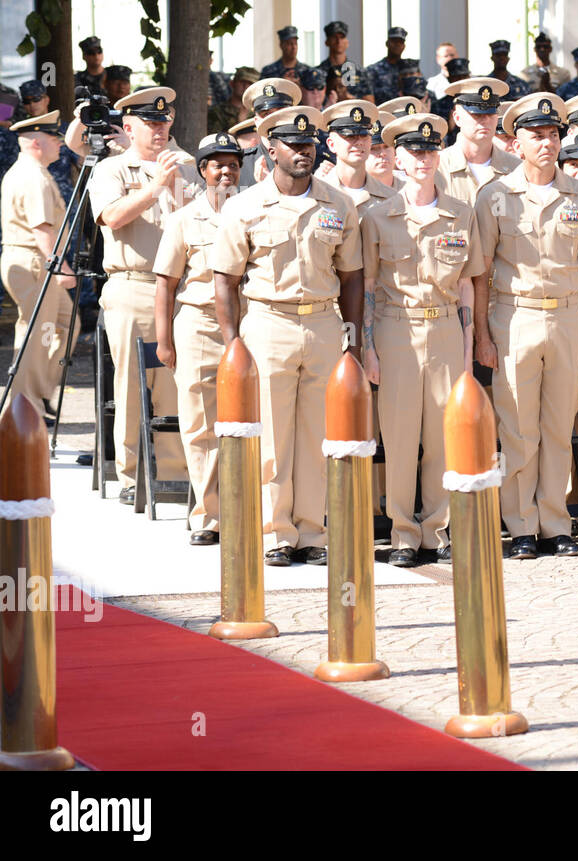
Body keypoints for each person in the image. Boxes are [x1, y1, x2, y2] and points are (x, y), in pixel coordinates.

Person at [210, 105, 363, 568]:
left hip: (322, 322)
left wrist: (352, 338)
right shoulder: (244, 206)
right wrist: (233, 340)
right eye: (293, 146)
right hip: (268, 322)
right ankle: (276, 532)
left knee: (318, 435)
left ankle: (312, 531)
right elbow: (225, 279)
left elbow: (352, 275)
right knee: (274, 435)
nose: (303, 152)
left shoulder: (338, 204)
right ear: (270, 149)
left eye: (309, 145)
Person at [473, 93, 578, 559]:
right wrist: (481, 335)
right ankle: (522, 527)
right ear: (516, 144)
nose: (548, 144)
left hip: (568, 317)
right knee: (518, 429)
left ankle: (555, 522)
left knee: (558, 427)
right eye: (537, 136)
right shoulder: (495, 197)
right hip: (514, 317)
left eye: (553, 135)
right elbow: (480, 272)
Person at [359, 113, 480, 566]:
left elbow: (468, 284)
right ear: (398, 158)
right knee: (401, 435)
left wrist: (468, 349)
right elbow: (369, 286)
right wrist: (368, 347)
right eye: (413, 151)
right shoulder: (377, 216)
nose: (422, 159)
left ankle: (437, 529)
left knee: (442, 435)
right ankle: (404, 534)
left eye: (430, 150)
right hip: (395, 328)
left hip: (447, 326)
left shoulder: (461, 213)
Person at [87, 87, 198, 506]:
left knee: (175, 383)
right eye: (150, 123)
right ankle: (132, 473)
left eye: (164, 123)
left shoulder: (186, 168)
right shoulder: (113, 169)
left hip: (181, 289)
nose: (159, 130)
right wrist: (155, 187)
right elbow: (112, 218)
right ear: (128, 127)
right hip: (133, 284)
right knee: (133, 382)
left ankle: (171, 472)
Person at [152, 132, 243, 546]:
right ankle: (208, 516)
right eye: (217, 164)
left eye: (233, 164)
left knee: (246, 421)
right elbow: (166, 285)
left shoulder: (252, 212)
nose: (226, 171)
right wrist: (164, 340)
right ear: (203, 171)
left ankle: (247, 509)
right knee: (201, 425)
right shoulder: (184, 219)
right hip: (199, 325)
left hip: (246, 326)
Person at [0, 110, 79, 414]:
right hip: (35, 262)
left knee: (64, 325)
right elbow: (41, 228)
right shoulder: (33, 177)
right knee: (40, 332)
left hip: (35, 261)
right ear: (36, 142)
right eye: (53, 138)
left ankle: (39, 391)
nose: (60, 144)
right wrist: (59, 265)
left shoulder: (34, 172)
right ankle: (26, 404)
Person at [436, 78, 520, 207]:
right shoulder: (437, 168)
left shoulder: (517, 169)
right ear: (457, 118)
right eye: (476, 115)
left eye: (490, 113)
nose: (485, 120)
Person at [314, 100, 395, 213]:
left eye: (364, 135)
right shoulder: (315, 194)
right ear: (331, 144)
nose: (359, 142)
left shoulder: (392, 198)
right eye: (350, 136)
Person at [318, 20, 373, 102]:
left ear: (347, 42)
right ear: (327, 42)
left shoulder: (359, 71)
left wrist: (350, 100)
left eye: (342, 37)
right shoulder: (319, 72)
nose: (338, 41)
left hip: (354, 113)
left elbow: (370, 103)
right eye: (334, 37)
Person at [365, 27, 414, 105]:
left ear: (404, 46)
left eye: (400, 42)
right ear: (387, 43)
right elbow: (368, 95)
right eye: (394, 41)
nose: (397, 44)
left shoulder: (409, 69)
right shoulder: (373, 70)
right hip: (383, 113)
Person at [208, 66, 259, 134]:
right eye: (242, 82)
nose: (245, 86)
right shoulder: (217, 112)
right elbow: (214, 139)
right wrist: (240, 124)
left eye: (250, 83)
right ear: (232, 83)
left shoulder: (259, 112)